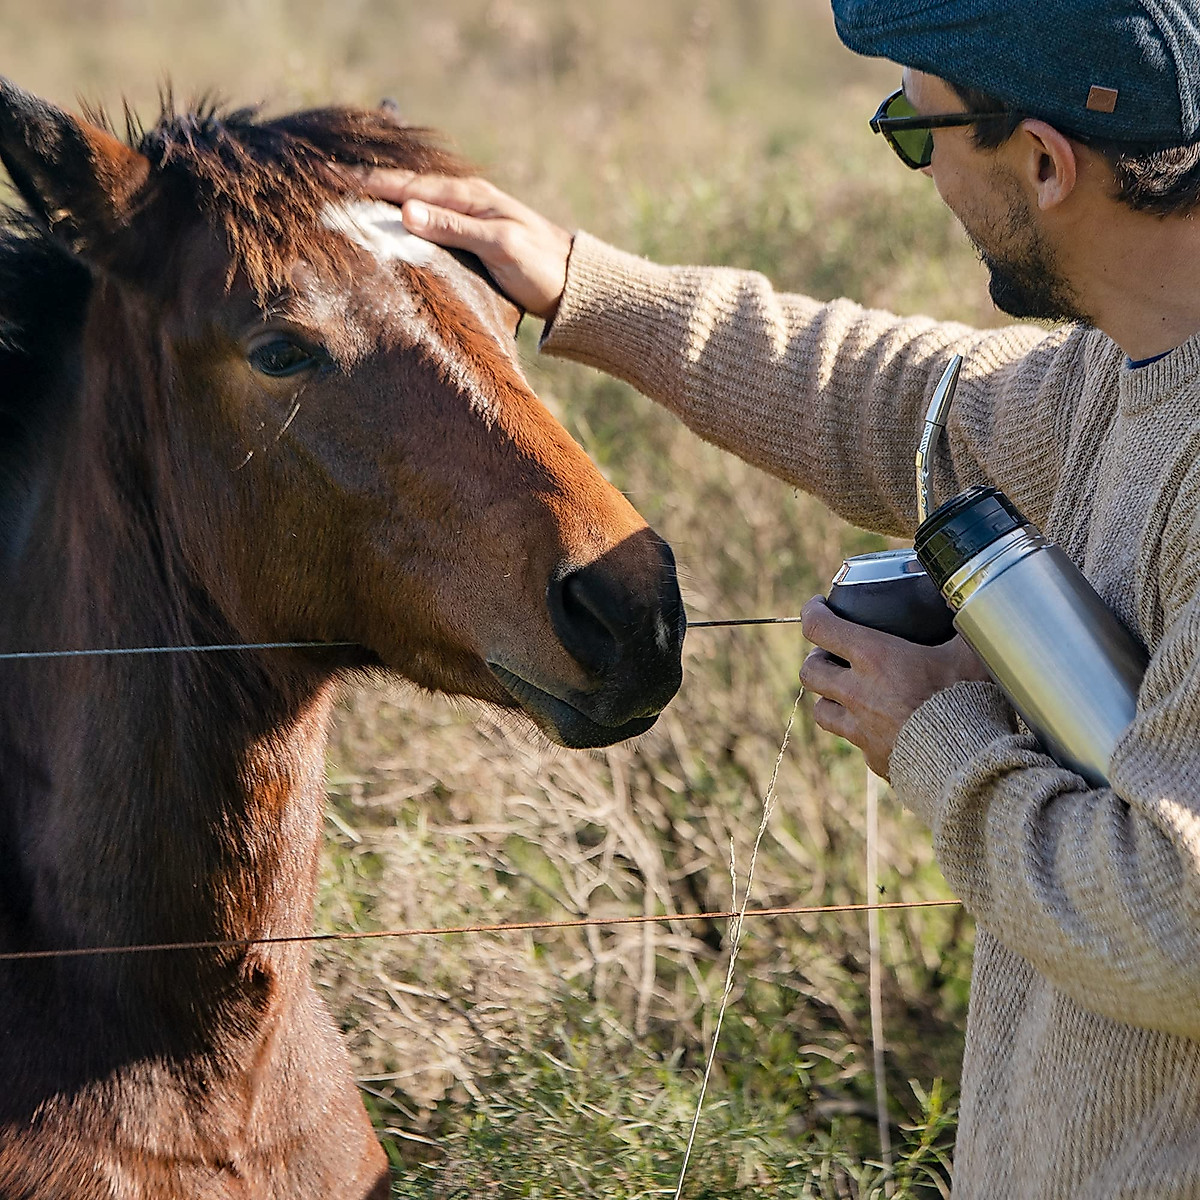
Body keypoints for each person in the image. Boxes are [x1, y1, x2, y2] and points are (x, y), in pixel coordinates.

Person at [363, 3, 1200, 1196]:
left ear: (1046, 163)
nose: (921, 172)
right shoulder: (1115, 376)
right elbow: (882, 395)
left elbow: (1179, 930)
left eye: (921, 131)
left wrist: (935, 738)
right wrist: (589, 290)